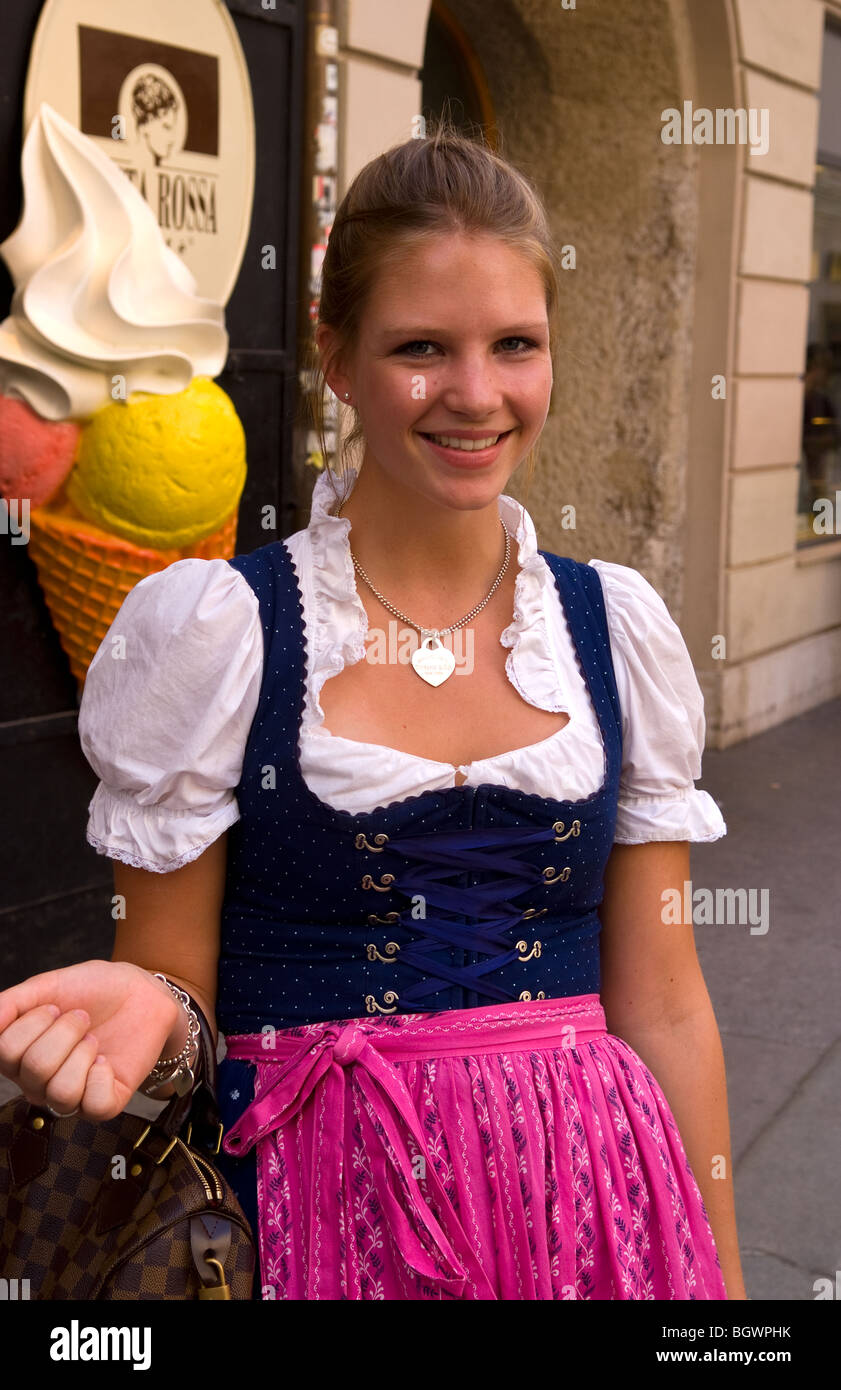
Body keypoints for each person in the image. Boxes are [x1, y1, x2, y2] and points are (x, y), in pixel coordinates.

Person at [0, 122, 746, 1301]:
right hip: (318, 1207)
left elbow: (661, 999)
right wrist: (143, 1001)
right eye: (420, 348)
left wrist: (722, 1292)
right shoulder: (227, 632)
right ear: (336, 358)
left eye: (514, 344)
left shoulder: (618, 631)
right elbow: (177, 996)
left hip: (592, 1208)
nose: (475, 393)